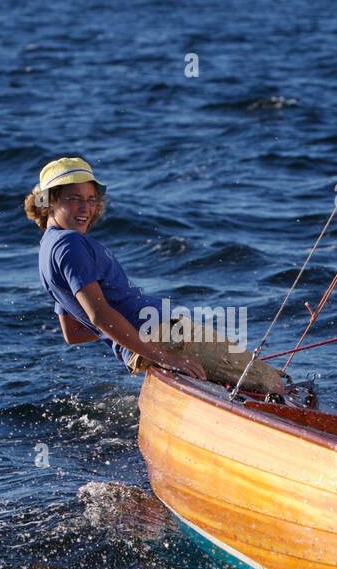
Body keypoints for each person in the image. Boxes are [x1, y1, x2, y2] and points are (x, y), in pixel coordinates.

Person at [28, 157, 287, 395]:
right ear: (50, 201)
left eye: (91, 199)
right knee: (273, 384)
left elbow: (73, 331)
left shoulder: (49, 249)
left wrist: (127, 335)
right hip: (163, 338)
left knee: (248, 388)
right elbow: (99, 315)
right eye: (74, 198)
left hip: (154, 339)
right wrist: (162, 355)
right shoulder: (70, 245)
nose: (85, 207)